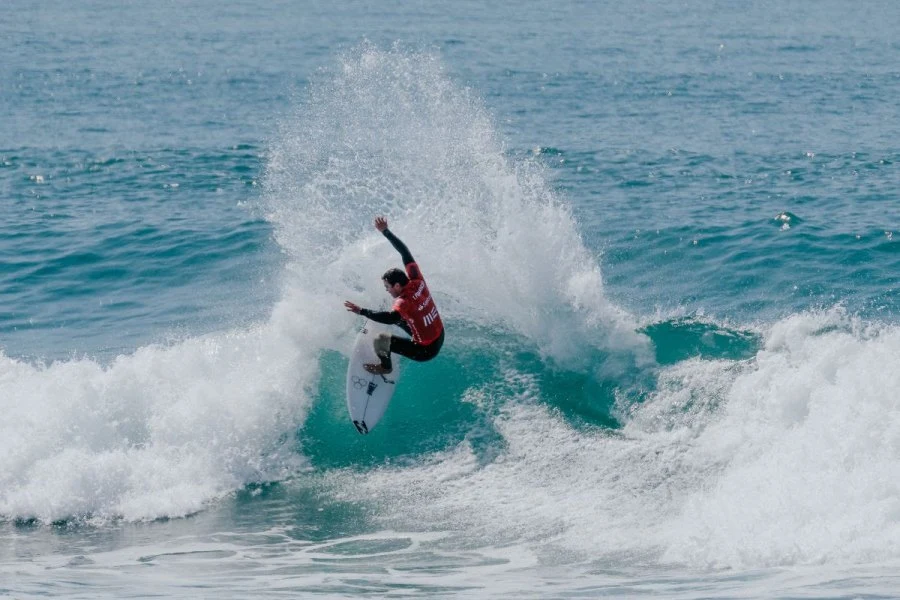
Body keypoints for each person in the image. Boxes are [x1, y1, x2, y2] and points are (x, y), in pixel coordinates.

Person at [344, 217, 444, 374]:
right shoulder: (417, 280)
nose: (387, 290)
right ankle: (404, 340)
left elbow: (391, 318)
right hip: (439, 335)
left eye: (388, 287)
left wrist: (362, 311)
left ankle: (385, 367)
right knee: (400, 317)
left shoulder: (404, 302)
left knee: (380, 340)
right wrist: (385, 231)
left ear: (397, 285)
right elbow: (405, 252)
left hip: (425, 350)